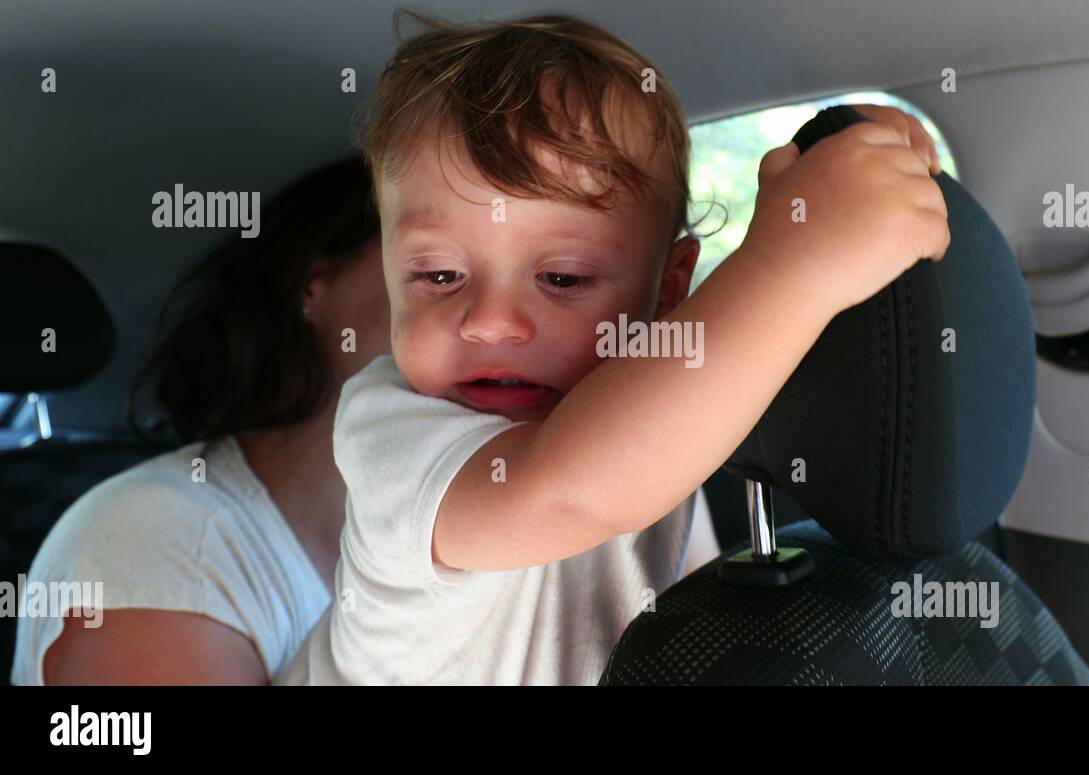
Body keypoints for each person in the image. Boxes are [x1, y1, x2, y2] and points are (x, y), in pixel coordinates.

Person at [275, 12, 947, 685]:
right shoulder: (389, 430)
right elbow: (568, 492)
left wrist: (840, 156)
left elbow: (693, 586)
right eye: (440, 276)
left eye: (562, 278)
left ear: (667, 291)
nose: (491, 322)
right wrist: (802, 263)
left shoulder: (648, 426)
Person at [11, 158, 392, 684]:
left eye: (549, 277)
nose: (499, 319)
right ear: (311, 285)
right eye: (438, 271)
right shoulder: (156, 542)